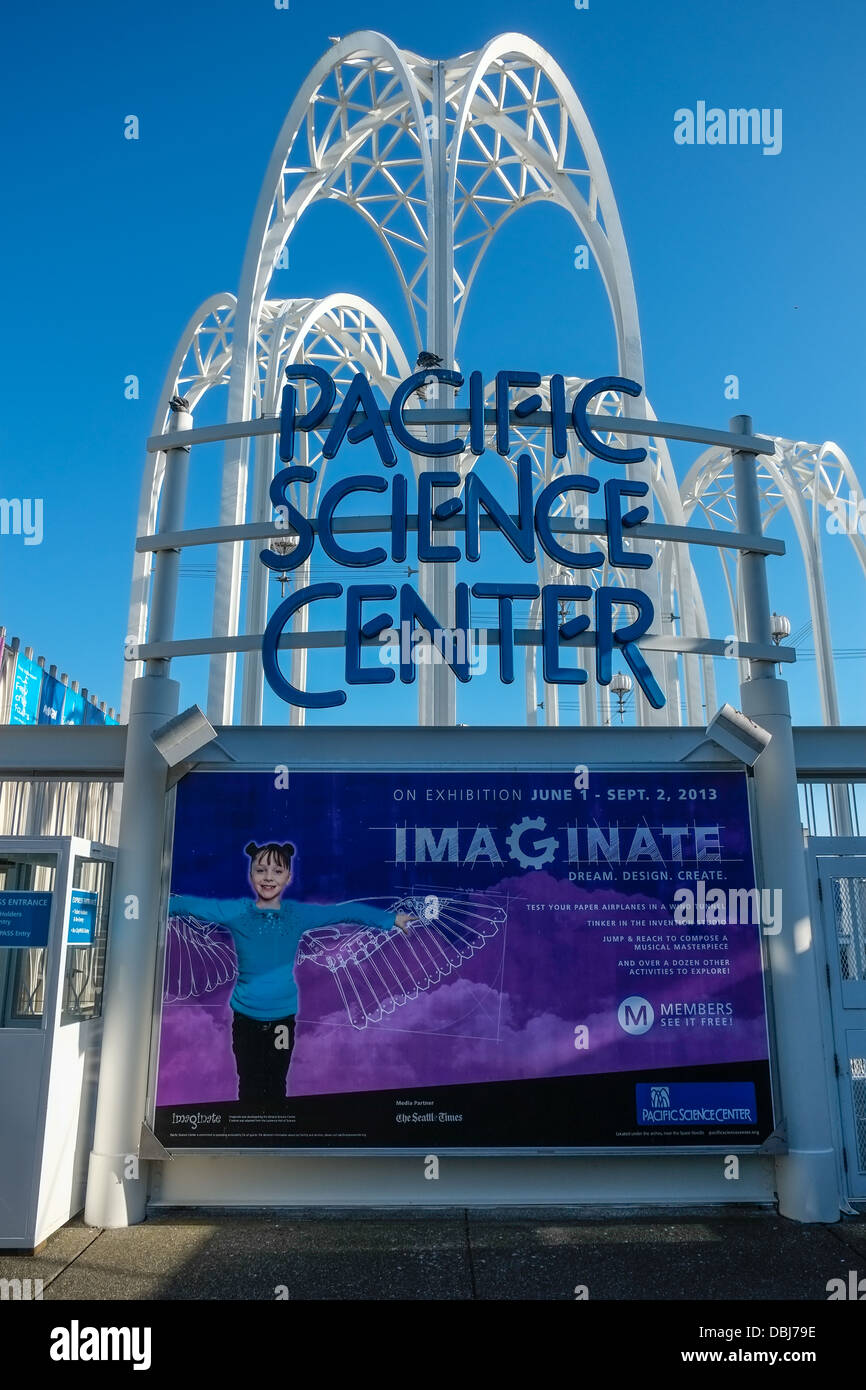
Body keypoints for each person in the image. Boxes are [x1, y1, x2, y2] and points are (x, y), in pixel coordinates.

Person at [168, 840, 413, 1103]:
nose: (268, 877)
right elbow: (190, 906)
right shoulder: (237, 911)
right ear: (251, 875)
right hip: (245, 1019)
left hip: (282, 1019)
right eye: (261, 870)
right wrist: (157, 906)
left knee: (275, 1084)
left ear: (288, 877)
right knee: (249, 1084)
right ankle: (250, 1139)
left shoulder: (297, 915)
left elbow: (344, 912)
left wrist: (390, 920)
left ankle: (274, 1138)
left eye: (277, 871)